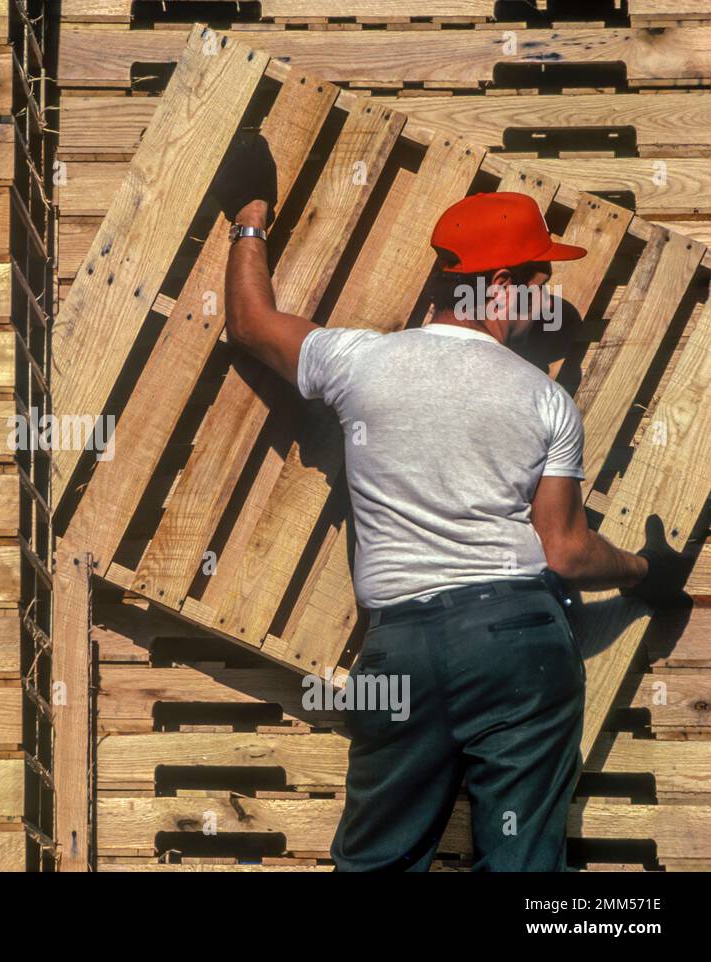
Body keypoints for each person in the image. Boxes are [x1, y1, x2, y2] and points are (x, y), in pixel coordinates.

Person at [214, 135, 697, 871]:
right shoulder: (544, 399)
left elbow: (248, 323)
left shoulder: (359, 362)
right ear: (499, 285)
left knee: (375, 864)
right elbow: (566, 551)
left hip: (399, 648)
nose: (543, 300)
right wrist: (639, 570)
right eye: (537, 279)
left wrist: (250, 218)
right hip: (516, 645)